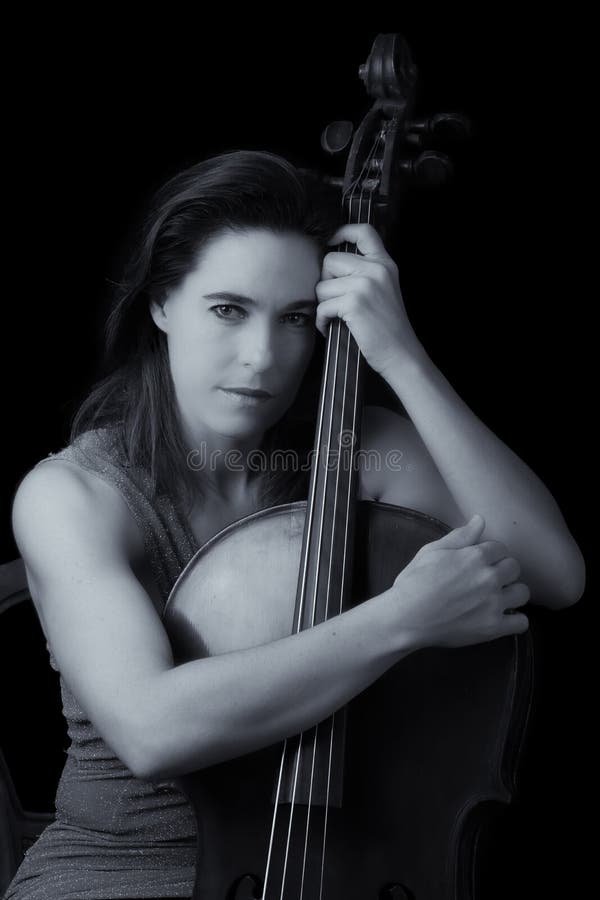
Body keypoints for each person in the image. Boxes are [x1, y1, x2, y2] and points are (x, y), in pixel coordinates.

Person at [5, 149, 585, 899]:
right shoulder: (74, 494)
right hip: (126, 874)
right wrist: (402, 619)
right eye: (226, 309)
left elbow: (554, 575)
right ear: (159, 305)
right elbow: (154, 731)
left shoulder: (352, 447)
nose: (261, 358)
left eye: (296, 320)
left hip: (341, 871)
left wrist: (399, 353)